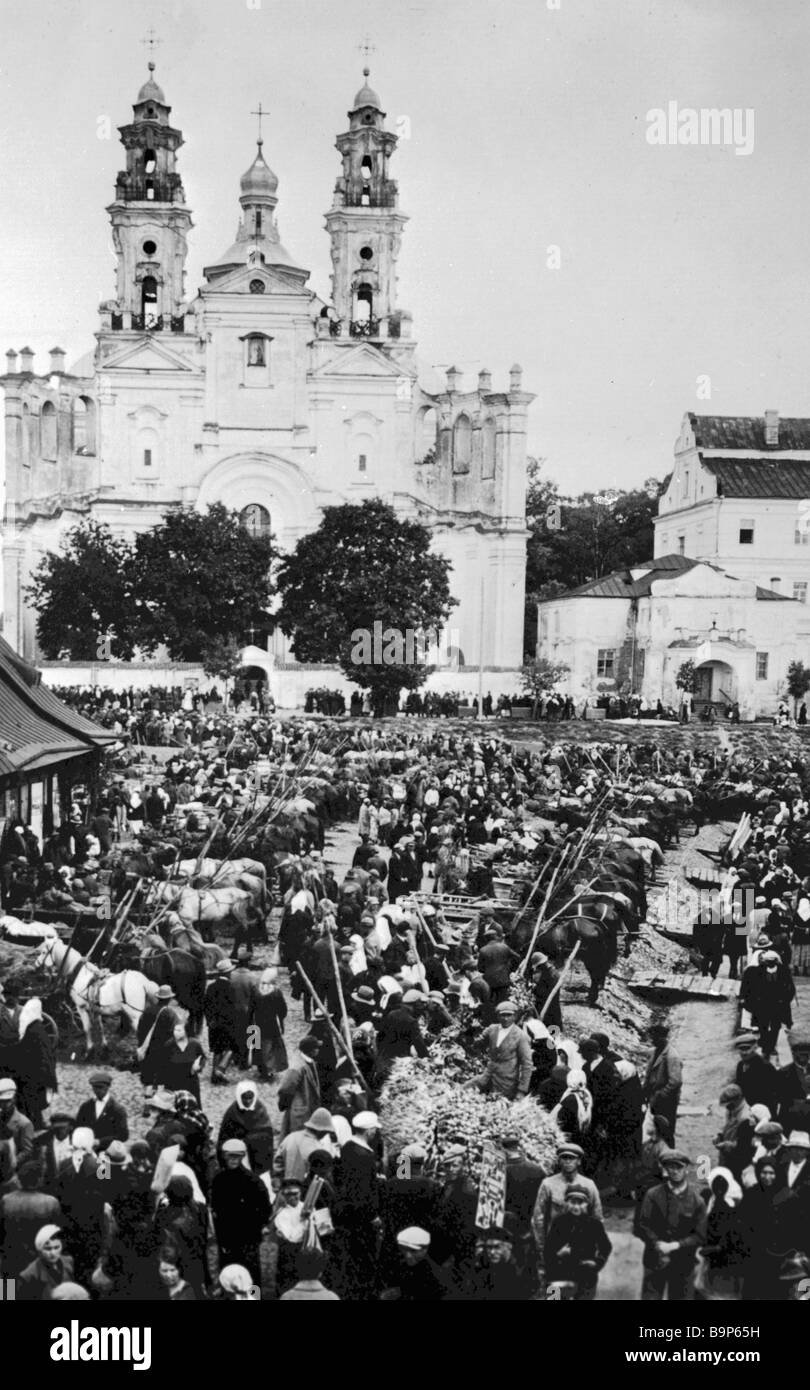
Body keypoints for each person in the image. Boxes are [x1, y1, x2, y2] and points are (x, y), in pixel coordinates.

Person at [634, 1149, 707, 1301]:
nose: (674, 1171)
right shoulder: (653, 1195)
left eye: (678, 1167)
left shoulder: (696, 1201)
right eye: (670, 1167)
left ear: (686, 1169)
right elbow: (643, 1224)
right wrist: (657, 1244)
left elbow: (700, 1235)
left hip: (683, 1262)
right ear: (665, 1169)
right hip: (655, 1259)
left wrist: (676, 1245)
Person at [532, 1142, 602, 1282]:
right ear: (559, 1161)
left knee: (581, 1285)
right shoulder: (548, 1184)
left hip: (583, 1247)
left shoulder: (589, 1185)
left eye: (572, 1158)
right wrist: (541, 1247)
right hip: (555, 1246)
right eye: (564, 1158)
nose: (568, 1162)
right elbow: (538, 1218)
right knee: (554, 1287)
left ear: (579, 1161)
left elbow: (597, 1217)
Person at [210, 1137, 271, 1285]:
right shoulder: (219, 1180)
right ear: (224, 1156)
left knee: (251, 1276)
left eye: (237, 1156)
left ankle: (254, 1297)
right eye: (230, 1156)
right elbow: (215, 1208)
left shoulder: (254, 1182)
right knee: (229, 1275)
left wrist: (256, 1228)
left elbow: (265, 1210)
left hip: (248, 1239)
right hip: (227, 1239)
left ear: (243, 1157)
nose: (233, 1160)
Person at [544, 1184, 612, 1301]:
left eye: (580, 1203)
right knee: (553, 1298)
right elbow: (547, 1249)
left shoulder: (594, 1224)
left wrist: (597, 1262)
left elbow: (606, 1246)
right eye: (572, 1202)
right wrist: (558, 1254)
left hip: (585, 1274)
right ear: (566, 1202)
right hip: (558, 1272)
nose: (576, 1207)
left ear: (587, 1204)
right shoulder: (558, 1222)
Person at [0, 1159, 63, 1277]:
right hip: (39, 1260)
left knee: (8, 1292)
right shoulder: (51, 1203)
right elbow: (56, 1235)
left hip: (11, 1256)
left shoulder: (6, 1200)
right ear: (39, 1179)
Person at [470, 1001, 532, 1101]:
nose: (506, 1018)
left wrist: (521, 1091)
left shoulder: (521, 1036)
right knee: (463, 1091)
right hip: (487, 1076)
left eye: (509, 1015)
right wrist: (476, 1036)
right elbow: (477, 1046)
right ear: (498, 1016)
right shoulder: (492, 1029)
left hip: (506, 1083)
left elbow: (527, 1064)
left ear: (515, 1016)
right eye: (502, 1015)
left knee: (495, 1107)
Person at [739, 950, 796, 1058]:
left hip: (778, 1004)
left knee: (776, 1026)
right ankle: (765, 1046)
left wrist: (785, 1000)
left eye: (771, 961)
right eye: (767, 961)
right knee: (762, 1026)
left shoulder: (783, 971)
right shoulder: (757, 971)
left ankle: (772, 1045)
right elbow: (751, 987)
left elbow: (790, 988)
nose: (769, 963)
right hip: (763, 1004)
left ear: (776, 961)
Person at [15, 998, 57, 1127]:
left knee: (30, 1098)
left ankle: (34, 1121)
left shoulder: (29, 1028)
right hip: (37, 1071)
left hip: (31, 1071)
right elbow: (45, 1053)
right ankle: (36, 1122)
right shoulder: (37, 1029)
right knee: (35, 1098)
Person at [218, 1081, 274, 1174]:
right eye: (244, 1098)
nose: (248, 1101)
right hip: (238, 1155)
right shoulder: (232, 1112)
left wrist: (249, 1140)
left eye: (250, 1098)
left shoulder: (260, 1110)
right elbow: (224, 1136)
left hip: (257, 1155)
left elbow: (267, 1133)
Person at [379, 1227, 448, 1301]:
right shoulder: (399, 1268)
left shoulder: (434, 1275)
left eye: (413, 1250)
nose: (408, 1255)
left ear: (425, 1249)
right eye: (404, 1249)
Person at [642, 1023, 682, 1140]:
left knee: (666, 1130)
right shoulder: (655, 1051)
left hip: (666, 1100)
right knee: (656, 1130)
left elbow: (675, 1081)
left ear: (661, 1038)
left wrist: (661, 1095)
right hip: (655, 1097)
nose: (652, 1040)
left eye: (653, 1038)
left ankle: (669, 1154)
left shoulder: (671, 1056)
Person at [277, 1036, 322, 1138]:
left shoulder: (310, 1061)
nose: (318, 1050)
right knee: (297, 1135)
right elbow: (286, 1088)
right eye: (316, 1048)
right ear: (310, 1051)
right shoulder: (297, 1068)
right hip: (300, 1110)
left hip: (308, 1106)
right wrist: (285, 1104)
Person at [18, 1223, 74, 1300]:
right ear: (40, 1250)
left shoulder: (69, 1262)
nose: (53, 1253)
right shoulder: (29, 1274)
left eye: (56, 1247)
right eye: (48, 1249)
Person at [74, 1072, 129, 1150]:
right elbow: (78, 1127)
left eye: (100, 1087)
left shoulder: (117, 1109)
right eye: (94, 1087)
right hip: (87, 1150)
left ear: (108, 1087)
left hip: (107, 1151)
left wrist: (100, 1142)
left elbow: (123, 1136)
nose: (97, 1090)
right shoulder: (86, 1106)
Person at [254, 967, 288, 1081]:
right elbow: (282, 1009)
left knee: (258, 1045)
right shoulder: (276, 991)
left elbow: (251, 1008)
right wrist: (281, 1020)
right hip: (272, 1023)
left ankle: (260, 1067)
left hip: (257, 1023)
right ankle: (269, 1070)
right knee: (270, 1047)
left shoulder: (256, 990)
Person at [160, 1022, 206, 1104]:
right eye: (174, 1030)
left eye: (179, 1030)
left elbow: (202, 1058)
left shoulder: (195, 1044)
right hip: (173, 1084)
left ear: (186, 1032)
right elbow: (162, 1065)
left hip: (191, 1084)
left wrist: (198, 1067)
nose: (175, 1032)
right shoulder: (169, 1045)